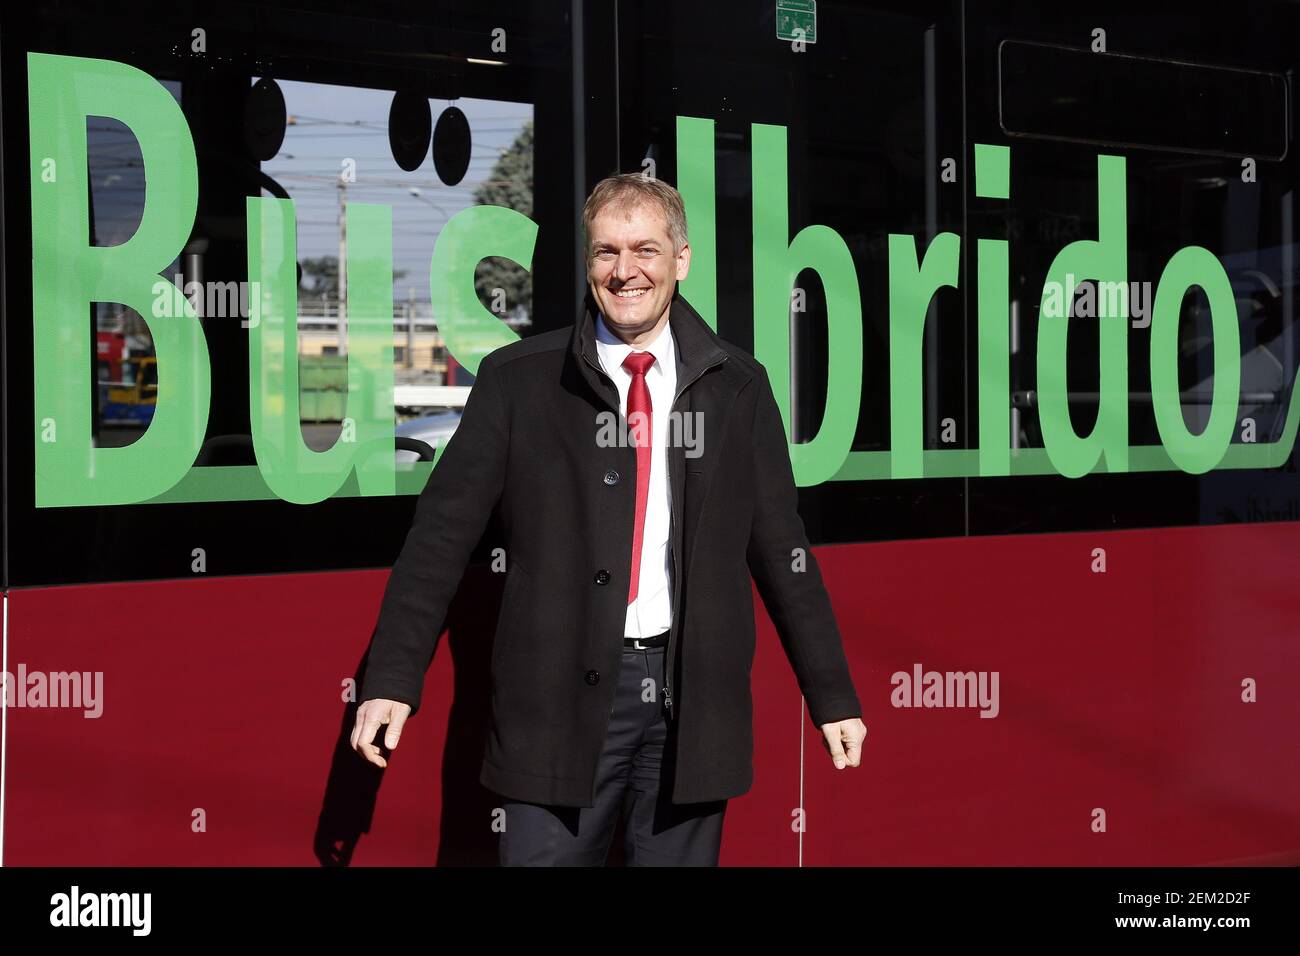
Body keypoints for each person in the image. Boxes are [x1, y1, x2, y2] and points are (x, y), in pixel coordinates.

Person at [351, 172, 866, 866]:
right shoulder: (518, 380)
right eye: (607, 252)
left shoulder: (737, 387)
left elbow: (782, 549)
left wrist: (830, 693)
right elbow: (440, 540)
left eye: (646, 251)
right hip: (554, 708)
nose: (626, 272)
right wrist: (390, 680)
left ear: (681, 260)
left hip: (691, 710)